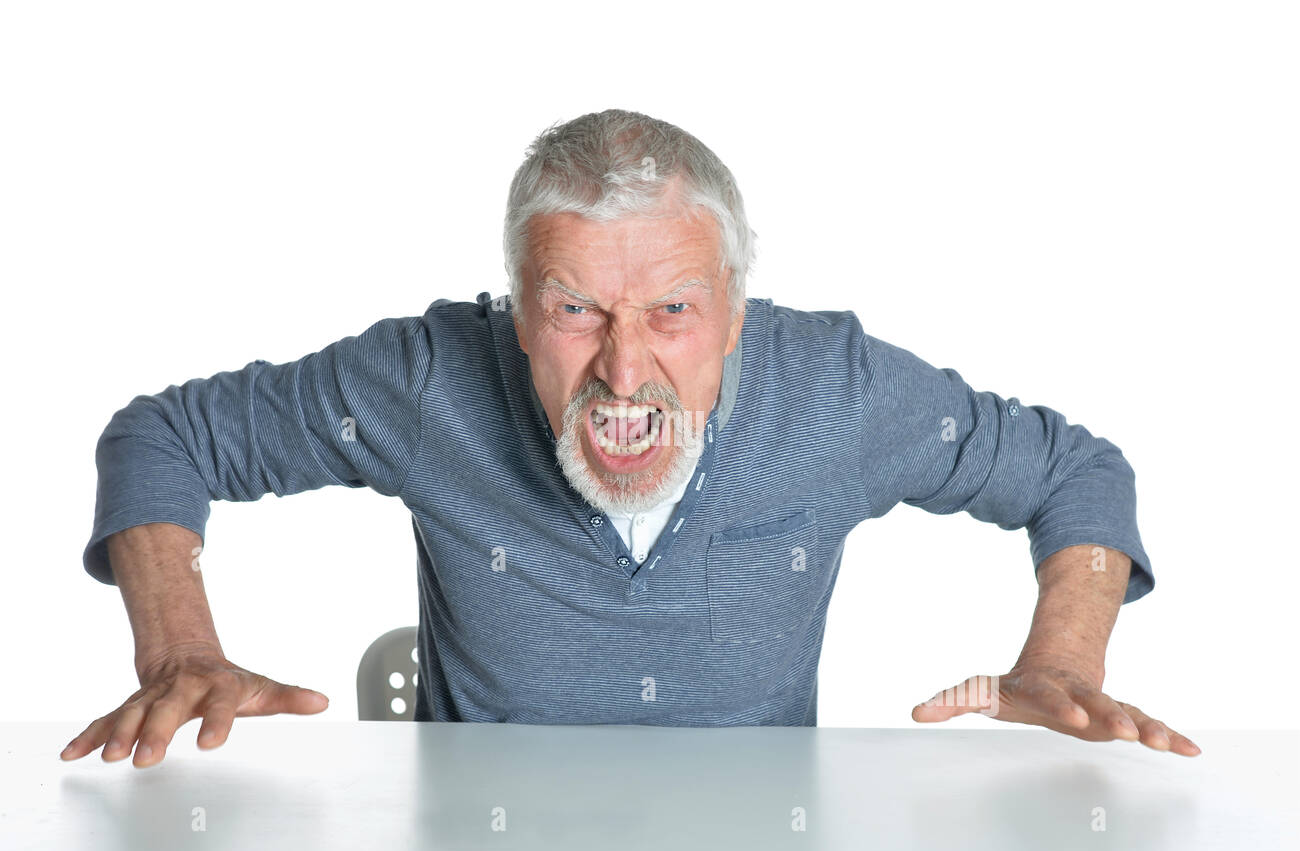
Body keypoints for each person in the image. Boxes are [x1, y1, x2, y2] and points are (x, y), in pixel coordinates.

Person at [65, 108, 1198, 768]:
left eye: (671, 311)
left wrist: (1063, 658)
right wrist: (178, 649)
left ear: (737, 310)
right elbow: (166, 437)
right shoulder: (424, 379)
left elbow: (1072, 470)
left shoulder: (838, 390)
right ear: (515, 311)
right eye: (573, 310)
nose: (623, 368)